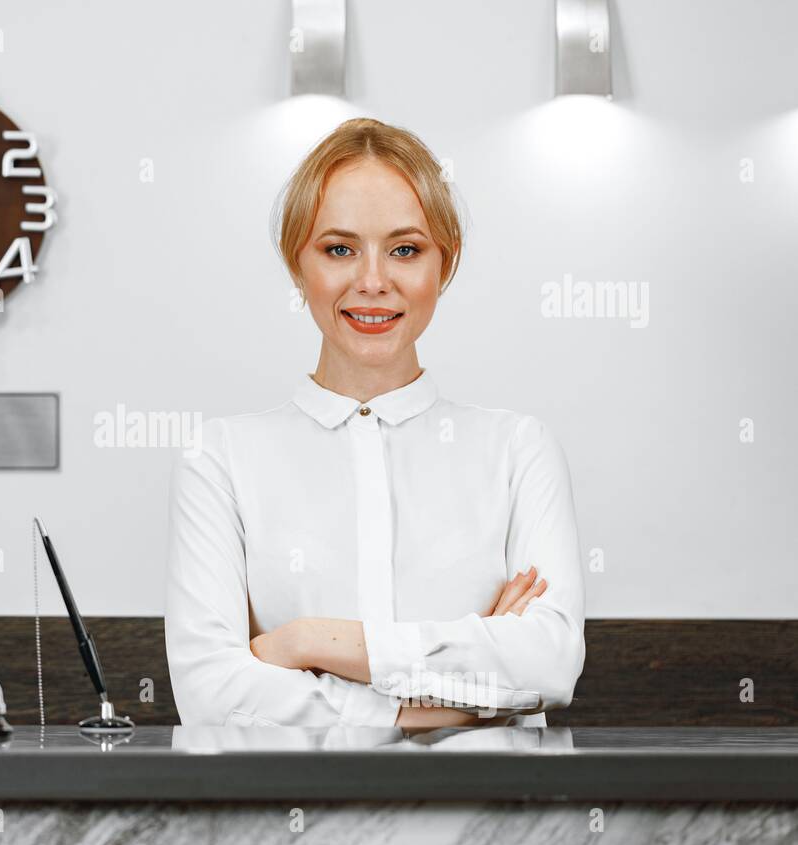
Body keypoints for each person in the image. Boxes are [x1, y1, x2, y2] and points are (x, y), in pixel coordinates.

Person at [164, 118, 585, 730]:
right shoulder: (220, 457)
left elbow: (547, 666)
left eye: (405, 249)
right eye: (339, 249)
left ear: (445, 264)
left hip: (492, 817)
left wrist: (308, 641)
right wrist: (449, 707)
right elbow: (210, 694)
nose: (372, 282)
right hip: (287, 820)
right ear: (296, 263)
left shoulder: (519, 450)